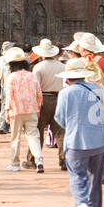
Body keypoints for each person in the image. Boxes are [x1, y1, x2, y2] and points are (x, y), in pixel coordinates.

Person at [56, 57, 104, 207]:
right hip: (99, 140)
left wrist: (72, 125)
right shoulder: (98, 89)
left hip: (75, 141)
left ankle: (82, 204)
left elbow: (60, 118)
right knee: (95, 177)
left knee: (77, 175)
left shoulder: (65, 93)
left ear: (68, 77)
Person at [4, 48, 43, 173]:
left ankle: (15, 163)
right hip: (31, 109)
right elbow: (39, 94)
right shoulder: (32, 76)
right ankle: (39, 159)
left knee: (15, 137)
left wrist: (6, 110)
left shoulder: (11, 77)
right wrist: (38, 108)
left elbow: (9, 96)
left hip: (16, 110)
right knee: (33, 135)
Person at [32, 38, 65, 170]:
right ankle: (64, 160)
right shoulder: (62, 66)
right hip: (59, 98)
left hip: (43, 99)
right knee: (60, 131)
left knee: (38, 130)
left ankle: (34, 159)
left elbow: (35, 87)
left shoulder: (38, 67)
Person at [0, 42, 15, 134]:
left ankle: (4, 126)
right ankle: (2, 126)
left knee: (5, 104)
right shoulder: (12, 59)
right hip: (10, 83)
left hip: (3, 83)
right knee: (6, 105)